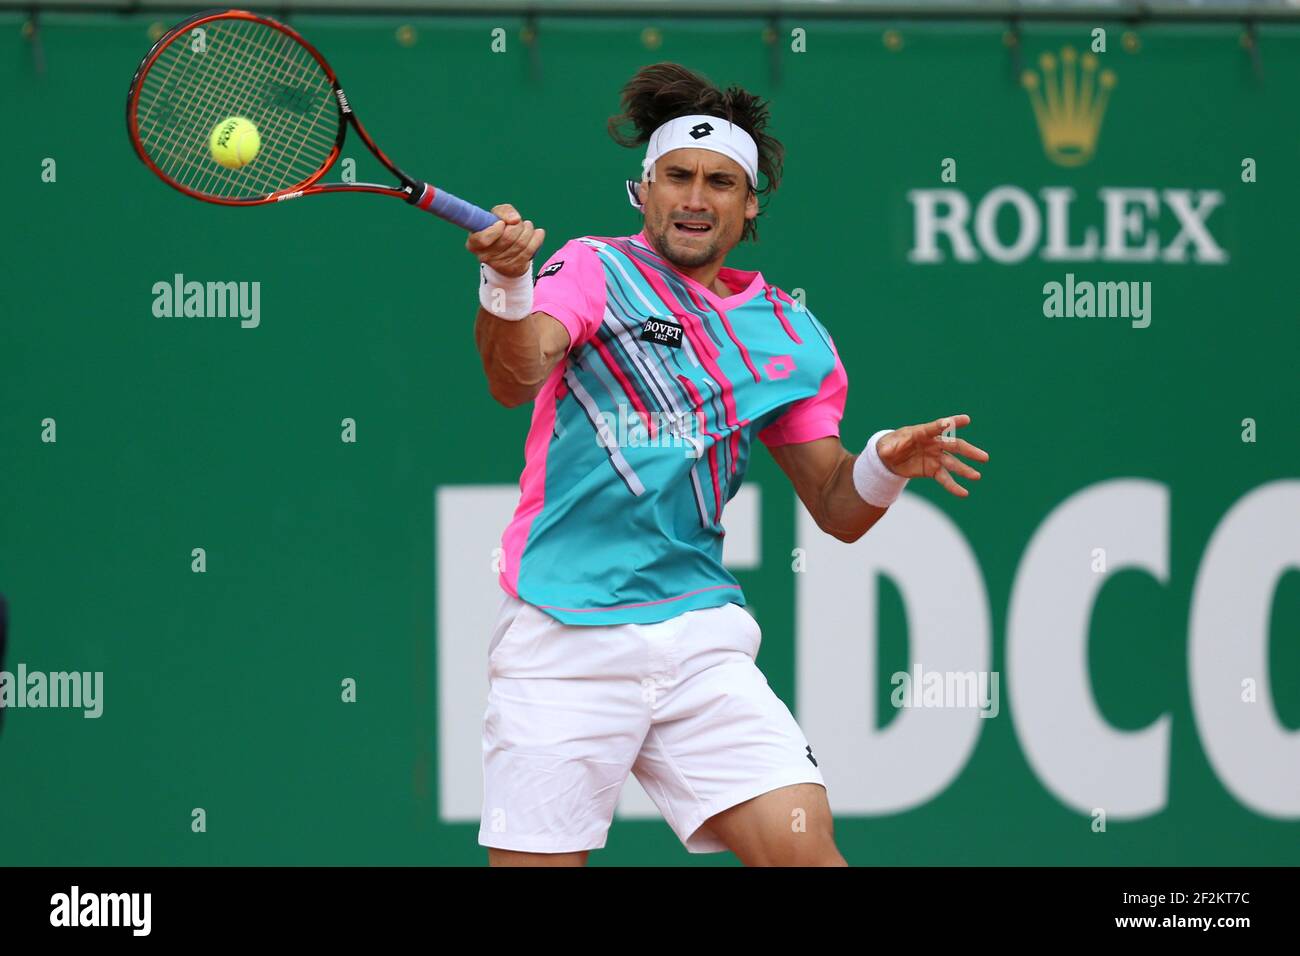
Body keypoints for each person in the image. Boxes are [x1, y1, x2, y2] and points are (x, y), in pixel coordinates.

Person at [466, 62, 989, 866]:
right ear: (643, 190)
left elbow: (838, 508)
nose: (695, 198)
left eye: (720, 182)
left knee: (806, 849)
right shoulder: (594, 270)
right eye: (676, 177)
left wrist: (883, 462)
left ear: (749, 206)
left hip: (697, 637)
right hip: (561, 635)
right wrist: (507, 282)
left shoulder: (789, 335)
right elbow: (515, 376)